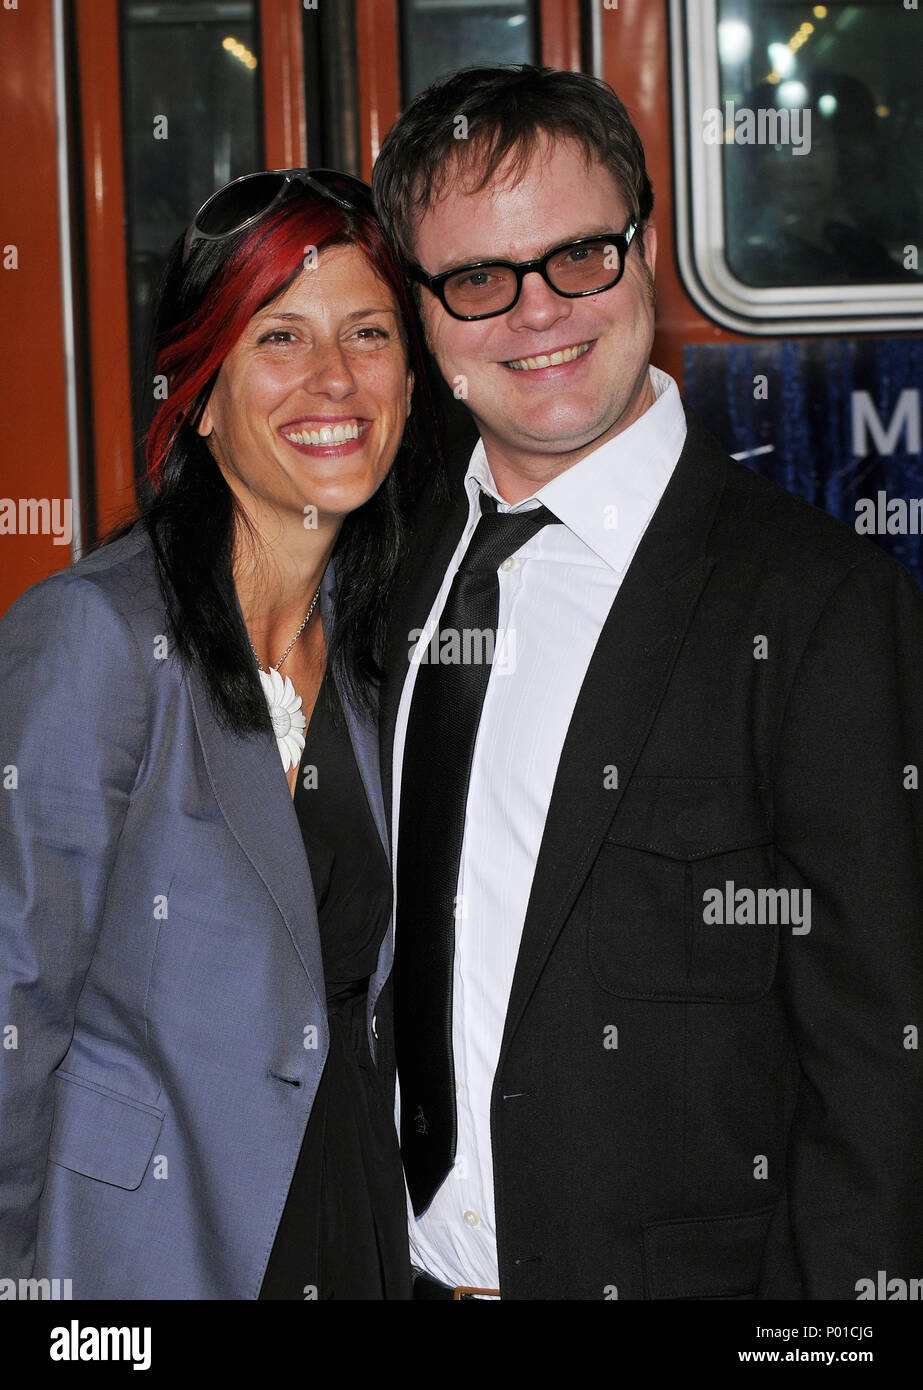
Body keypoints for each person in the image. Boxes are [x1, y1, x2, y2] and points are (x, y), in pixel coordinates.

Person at [371, 65, 923, 1300]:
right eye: (476, 279)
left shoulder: (819, 608)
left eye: (578, 256)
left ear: (647, 249)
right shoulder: (385, 572)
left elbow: (883, 1078)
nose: (536, 315)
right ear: (420, 308)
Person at [0, 168, 435, 1299]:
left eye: (369, 332)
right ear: (197, 393)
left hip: (350, 1230)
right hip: (147, 1262)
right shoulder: (94, 636)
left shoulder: (375, 647)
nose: (334, 378)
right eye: (278, 336)